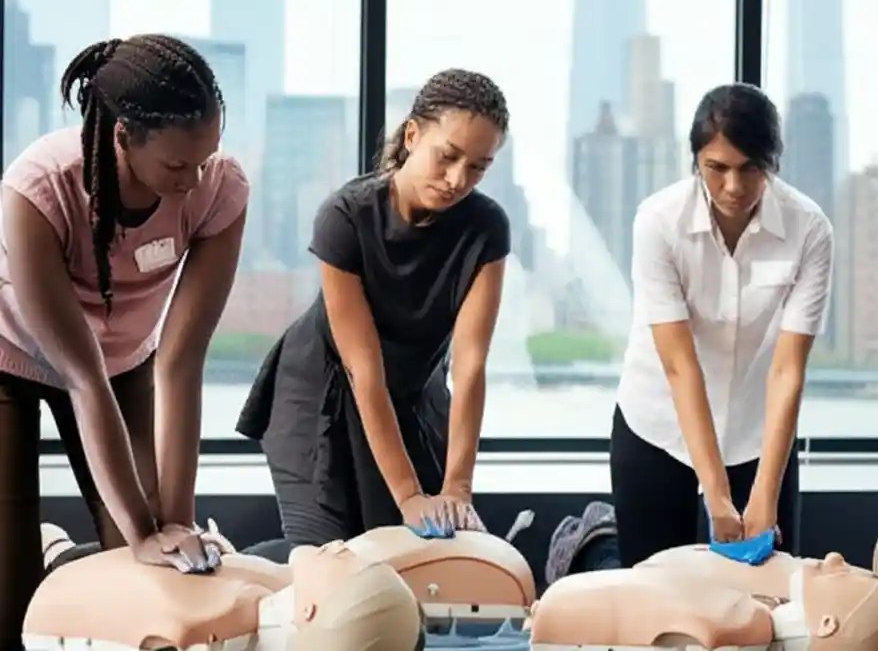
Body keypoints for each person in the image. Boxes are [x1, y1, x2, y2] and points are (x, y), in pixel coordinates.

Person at [0, 34, 249, 646]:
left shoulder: (219, 188)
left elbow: (182, 361)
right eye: (175, 166)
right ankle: (48, 557)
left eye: (204, 158)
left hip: (125, 361)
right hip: (10, 355)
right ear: (121, 139)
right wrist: (145, 531)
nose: (193, 180)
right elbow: (80, 375)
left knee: (150, 573)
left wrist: (174, 525)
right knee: (9, 593)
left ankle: (71, 559)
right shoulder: (38, 189)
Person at [236, 69, 510, 558]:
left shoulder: (486, 228)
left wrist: (458, 490)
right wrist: (407, 495)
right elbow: (364, 370)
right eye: (447, 157)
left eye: (478, 168)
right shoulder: (345, 217)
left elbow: (469, 367)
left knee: (416, 556)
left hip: (411, 392)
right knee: (331, 559)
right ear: (412, 135)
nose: (457, 180)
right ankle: (230, 566)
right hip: (320, 390)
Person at [609, 83, 834, 567]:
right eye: (717, 169)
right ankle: (591, 545)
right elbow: (680, 366)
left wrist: (763, 493)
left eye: (750, 168)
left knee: (765, 596)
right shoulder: (658, 222)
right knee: (653, 591)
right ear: (696, 163)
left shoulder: (809, 229)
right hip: (658, 425)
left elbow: (787, 370)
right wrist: (716, 496)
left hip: (758, 433)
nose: (734, 186)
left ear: (772, 163)